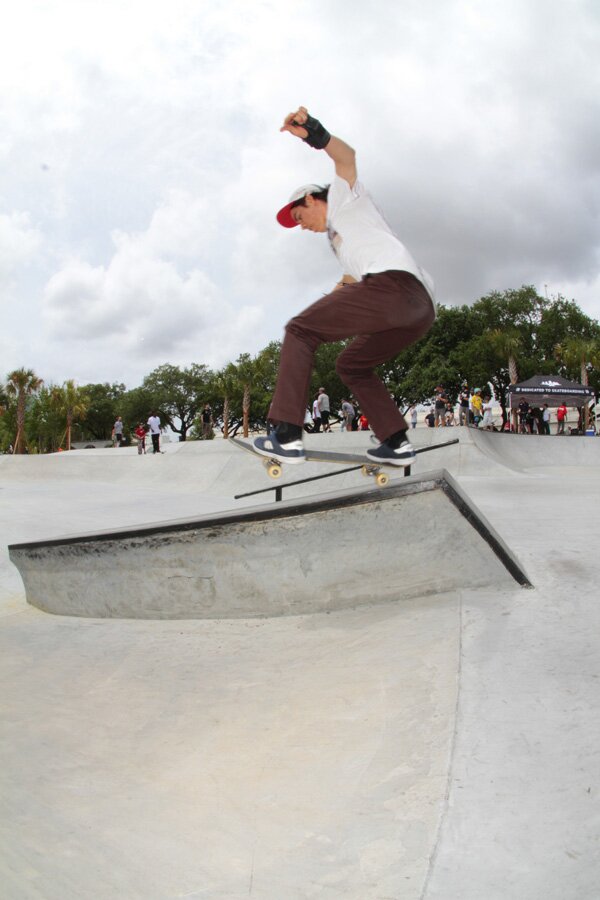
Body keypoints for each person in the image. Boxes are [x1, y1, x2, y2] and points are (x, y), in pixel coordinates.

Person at [253, 105, 435, 468]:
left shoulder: (343, 196)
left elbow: (347, 157)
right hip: (417, 310)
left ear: (311, 199)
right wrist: (325, 307)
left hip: (393, 288)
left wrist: (313, 132)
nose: (302, 226)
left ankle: (287, 436)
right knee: (351, 364)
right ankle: (396, 441)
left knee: (299, 330)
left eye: (300, 217)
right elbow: (350, 285)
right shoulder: (343, 241)